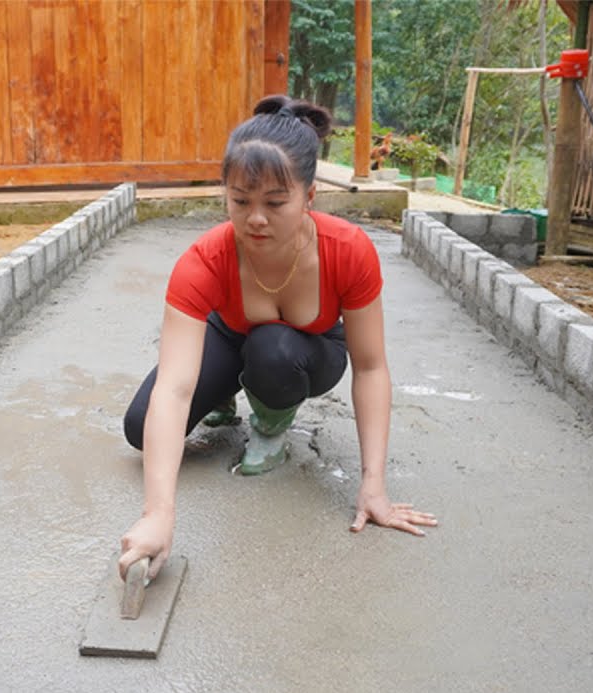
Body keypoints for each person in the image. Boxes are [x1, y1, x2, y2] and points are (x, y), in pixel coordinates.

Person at [117, 95, 437, 581]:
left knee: (272, 349)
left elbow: (371, 367)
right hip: (229, 334)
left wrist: (375, 487)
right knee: (141, 427)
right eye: (240, 201)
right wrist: (158, 514)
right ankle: (225, 393)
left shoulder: (348, 251)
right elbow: (175, 385)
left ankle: (269, 425)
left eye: (275, 202)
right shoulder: (203, 261)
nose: (256, 219)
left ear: (310, 197)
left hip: (306, 349)